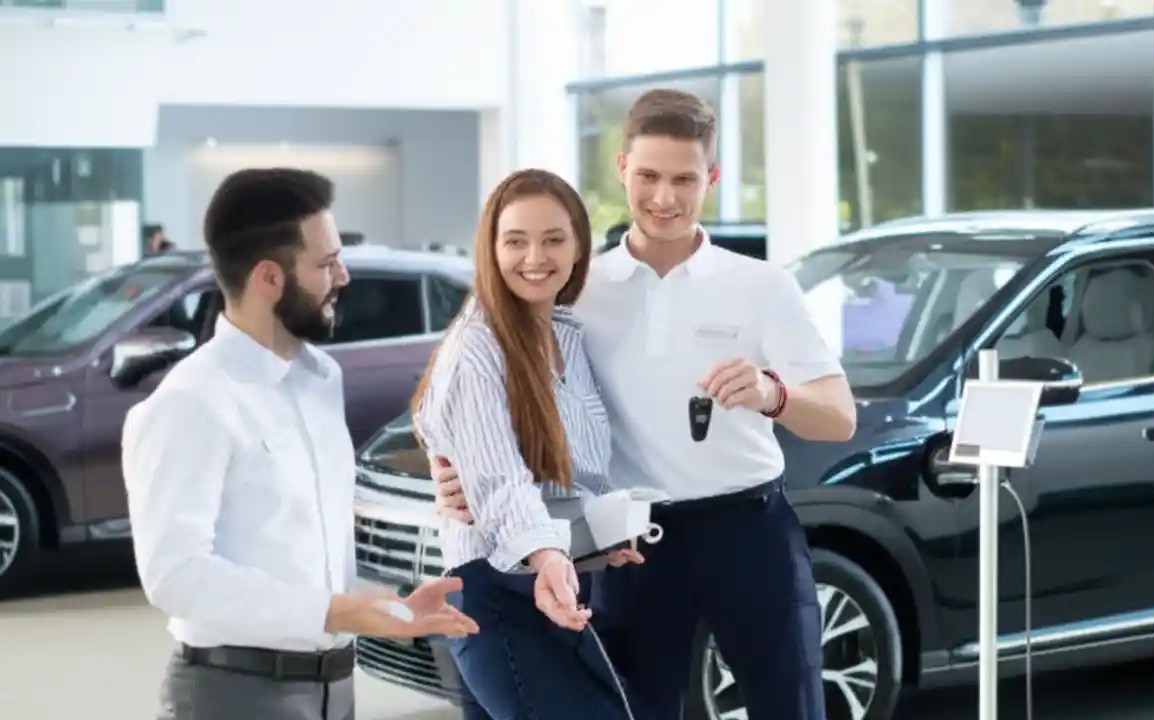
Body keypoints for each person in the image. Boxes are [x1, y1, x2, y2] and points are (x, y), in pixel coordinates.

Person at [433, 89, 857, 719]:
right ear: (622, 169)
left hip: (749, 531)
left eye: (685, 179)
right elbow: (478, 379)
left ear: (712, 178)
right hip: (627, 542)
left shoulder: (763, 285)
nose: (665, 197)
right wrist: (447, 467)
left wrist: (774, 394)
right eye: (649, 176)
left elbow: (840, 417)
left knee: (792, 706)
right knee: (636, 711)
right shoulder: (574, 287)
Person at [121, 167, 478, 720]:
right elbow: (176, 577)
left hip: (335, 688)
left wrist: (386, 609)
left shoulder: (321, 379)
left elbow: (306, 548)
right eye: (326, 263)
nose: (343, 277)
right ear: (269, 277)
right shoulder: (191, 402)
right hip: (234, 694)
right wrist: (335, 611)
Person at [412, 167, 646, 720]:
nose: (535, 258)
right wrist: (545, 554)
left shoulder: (566, 335)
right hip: (498, 591)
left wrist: (598, 533)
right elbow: (500, 482)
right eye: (515, 241)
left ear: (578, 247)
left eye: (553, 239)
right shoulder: (477, 347)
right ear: (490, 249)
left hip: (558, 579)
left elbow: (569, 471)